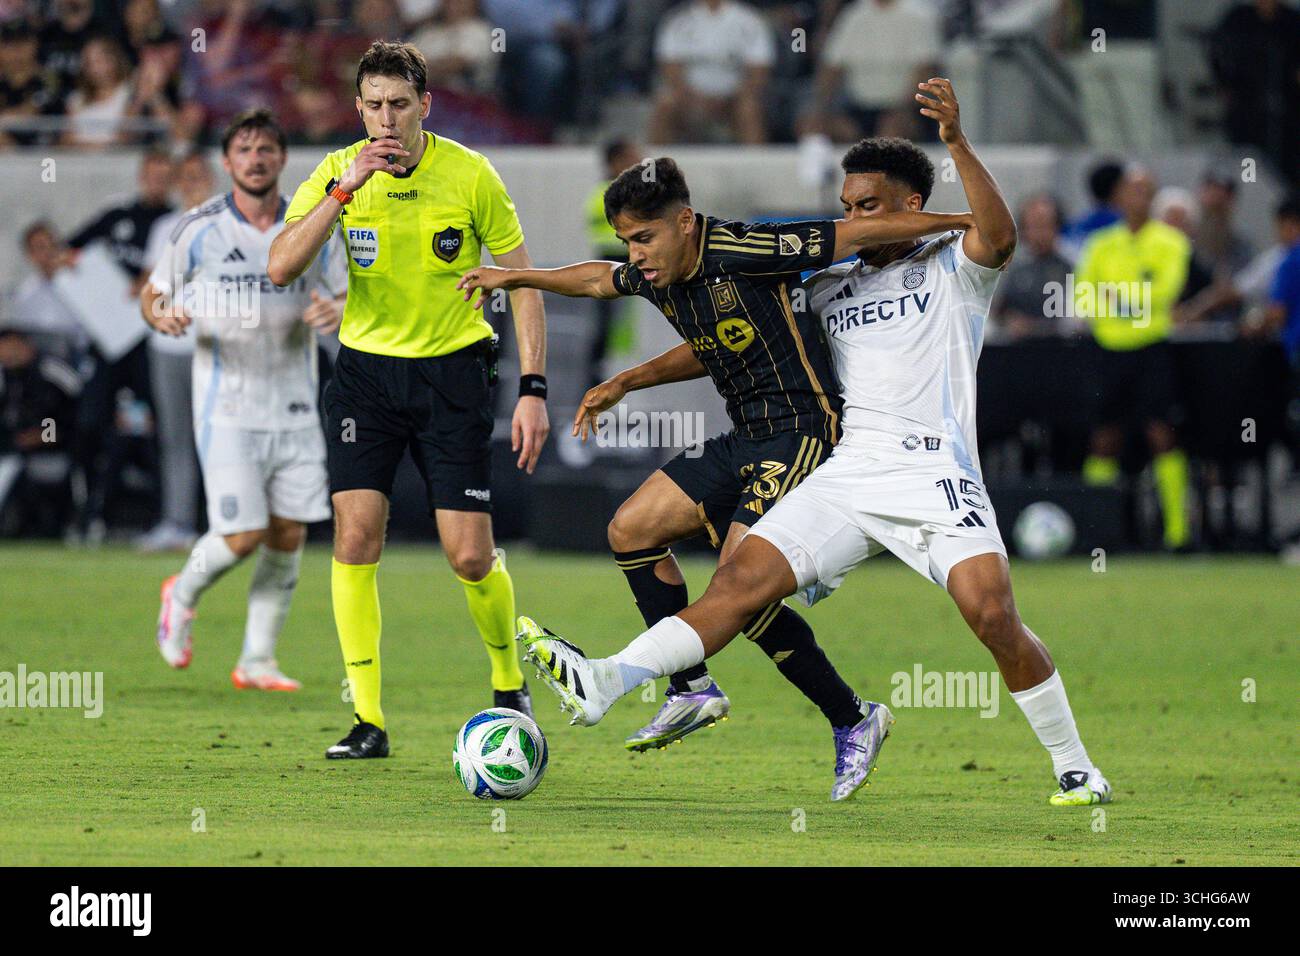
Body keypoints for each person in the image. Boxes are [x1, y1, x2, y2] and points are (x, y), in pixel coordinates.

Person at [516, 80, 1114, 809]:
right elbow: (727, 342)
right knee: (737, 584)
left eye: (868, 205)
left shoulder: (955, 269)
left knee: (992, 617)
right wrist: (635, 377)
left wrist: (957, 142)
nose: (852, 218)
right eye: (847, 207)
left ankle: (1075, 765)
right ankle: (609, 679)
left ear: (911, 207)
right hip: (848, 471)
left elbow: (1003, 235)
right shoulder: (829, 284)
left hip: (934, 476)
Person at [458, 155, 970, 793]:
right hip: (746, 435)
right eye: (627, 241)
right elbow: (595, 281)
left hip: (805, 431)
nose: (635, 255)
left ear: (685, 222)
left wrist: (967, 221)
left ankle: (853, 718)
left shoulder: (743, 246)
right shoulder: (658, 270)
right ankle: (692, 686)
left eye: (644, 238)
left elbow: (857, 234)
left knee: (737, 586)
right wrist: (517, 280)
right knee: (631, 529)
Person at [267, 41, 550, 759]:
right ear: (358, 109)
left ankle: (508, 682)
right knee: (356, 536)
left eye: (399, 104)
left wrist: (533, 390)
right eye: (373, 106)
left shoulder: (470, 174)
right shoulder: (338, 172)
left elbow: (522, 284)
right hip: (366, 377)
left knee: (468, 558)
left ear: (426, 104)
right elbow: (278, 267)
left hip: (453, 376)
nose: (385, 120)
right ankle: (368, 720)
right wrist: (342, 193)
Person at [143, 109, 347, 691]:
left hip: (294, 404)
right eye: (244, 150)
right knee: (242, 534)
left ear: (282, 159)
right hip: (226, 407)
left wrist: (335, 310)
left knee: (288, 535)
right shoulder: (198, 227)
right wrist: (163, 314)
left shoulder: (310, 227)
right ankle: (180, 593)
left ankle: (257, 659)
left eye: (266, 149)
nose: (255, 159)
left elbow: (342, 296)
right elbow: (152, 296)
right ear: (227, 162)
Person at [1075, 165, 1192, 550]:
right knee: (1105, 438)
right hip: (1108, 350)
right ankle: (1095, 532)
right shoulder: (1101, 243)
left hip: (1152, 349)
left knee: (1162, 435)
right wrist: (1131, 299)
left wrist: (1118, 298)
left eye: (1145, 190)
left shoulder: (1171, 242)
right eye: (1131, 189)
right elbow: (1082, 295)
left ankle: (1177, 533)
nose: (1137, 197)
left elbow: (1165, 293)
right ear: (1119, 196)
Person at [65, 149, 175, 543]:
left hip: (152, 343)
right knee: (91, 423)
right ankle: (87, 514)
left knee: (164, 429)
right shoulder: (116, 219)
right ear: (141, 175)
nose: (157, 182)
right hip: (108, 341)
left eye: (166, 176)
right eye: (152, 174)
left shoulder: (175, 225)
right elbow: (69, 251)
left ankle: (168, 515)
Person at [135, 150, 218, 554]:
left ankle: (227, 521)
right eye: (185, 177)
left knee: (222, 437)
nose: (192, 183)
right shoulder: (165, 227)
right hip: (169, 345)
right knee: (175, 438)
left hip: (216, 344)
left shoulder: (228, 224)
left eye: (199, 175)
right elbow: (152, 288)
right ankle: (177, 522)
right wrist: (158, 316)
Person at [648, 0, 775, 144]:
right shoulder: (678, 20)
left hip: (733, 99)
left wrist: (731, 98)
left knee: (749, 108)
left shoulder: (750, 20)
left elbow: (758, 71)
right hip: (689, 97)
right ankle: (657, 164)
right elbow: (670, 69)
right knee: (665, 102)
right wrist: (695, 99)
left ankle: (756, 162)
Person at [992, 193, 1072, 340]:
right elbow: (996, 311)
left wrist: (1035, 328)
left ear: (1058, 227)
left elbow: (1077, 319)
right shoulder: (1011, 266)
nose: (1039, 233)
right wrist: (1010, 322)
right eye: (1034, 226)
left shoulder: (1072, 264)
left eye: (1045, 225)